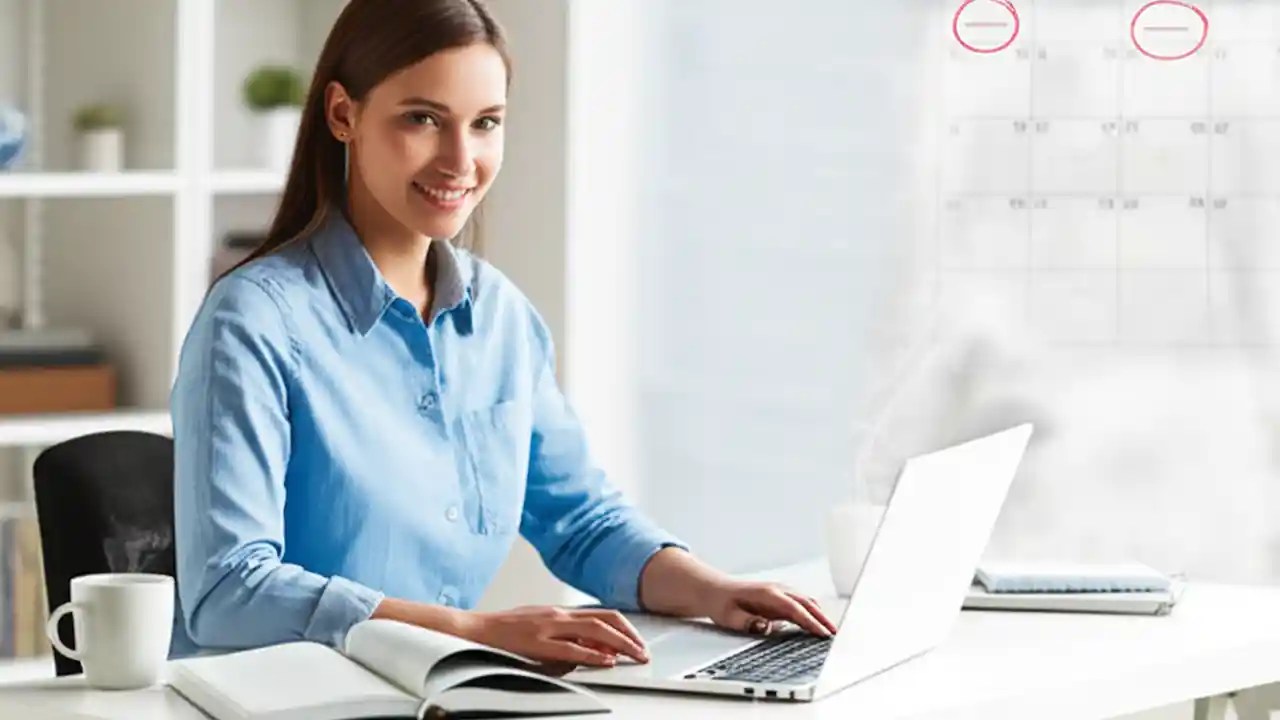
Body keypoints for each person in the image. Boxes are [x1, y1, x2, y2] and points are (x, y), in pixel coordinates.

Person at [171, 0, 836, 667]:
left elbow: (581, 522)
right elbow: (230, 590)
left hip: (440, 696)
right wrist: (469, 632)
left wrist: (714, 591)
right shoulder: (253, 322)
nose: (461, 160)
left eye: (486, 124)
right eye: (423, 119)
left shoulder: (499, 317)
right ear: (344, 114)